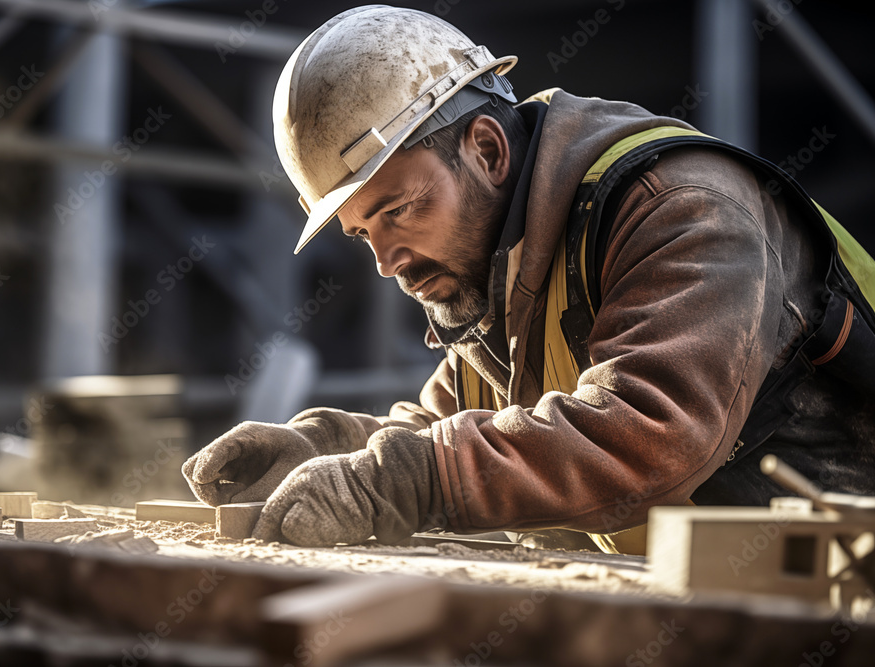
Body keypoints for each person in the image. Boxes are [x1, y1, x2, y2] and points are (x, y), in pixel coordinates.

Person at [182, 5, 875, 552]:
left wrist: (403, 479)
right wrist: (324, 445)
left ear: (485, 148)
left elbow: (647, 430)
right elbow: (457, 427)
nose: (385, 260)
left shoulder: (681, 209)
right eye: (364, 231)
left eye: (397, 210)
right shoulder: (506, 266)